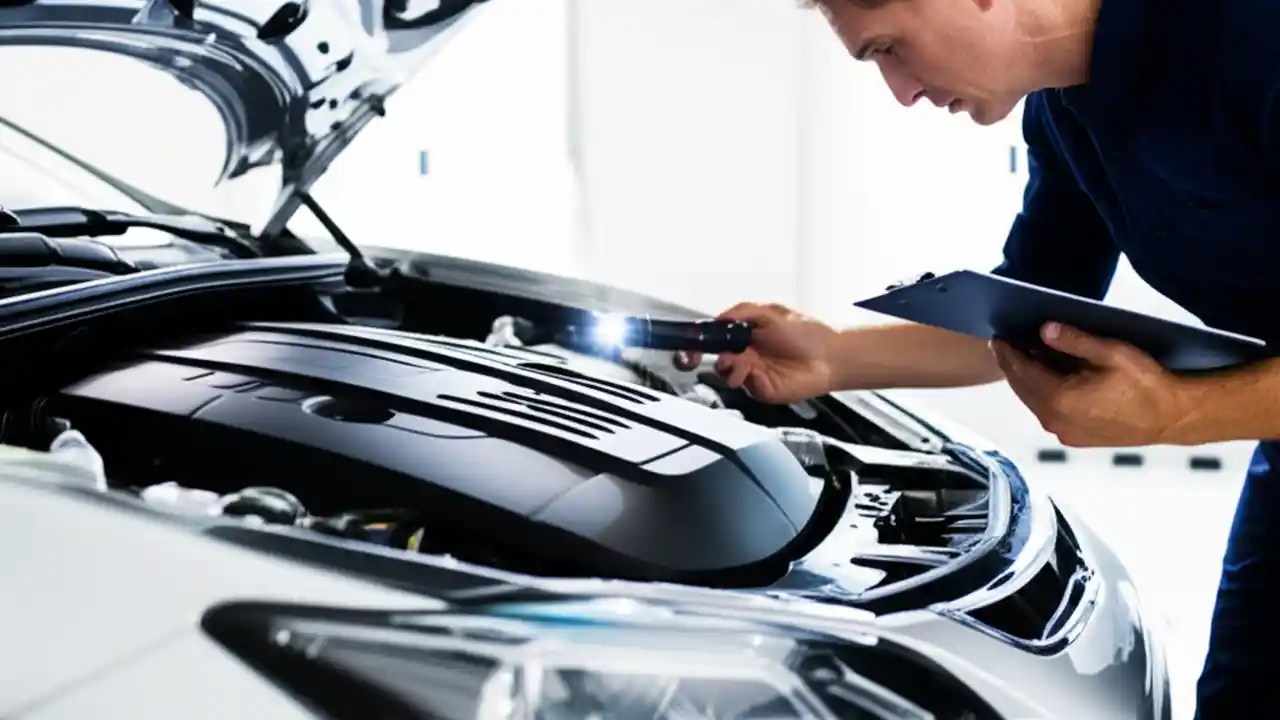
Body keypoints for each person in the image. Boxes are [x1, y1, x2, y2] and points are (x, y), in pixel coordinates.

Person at [673, 0, 1280, 717]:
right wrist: (833, 358)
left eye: (888, 49)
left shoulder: (1252, 32)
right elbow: (1025, 315)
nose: (900, 93)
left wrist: (1181, 413)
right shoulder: (1065, 117)